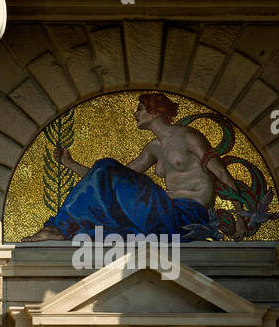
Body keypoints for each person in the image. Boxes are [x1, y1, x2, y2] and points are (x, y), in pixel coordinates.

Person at [23, 92, 241, 242]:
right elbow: (104, 179)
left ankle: (58, 228)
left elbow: (220, 172)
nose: (135, 113)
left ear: (155, 112)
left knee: (107, 166)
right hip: (163, 214)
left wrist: (241, 217)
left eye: (140, 108)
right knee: (106, 169)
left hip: (187, 216)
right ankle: (59, 228)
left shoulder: (188, 136)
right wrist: (70, 164)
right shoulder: (153, 148)